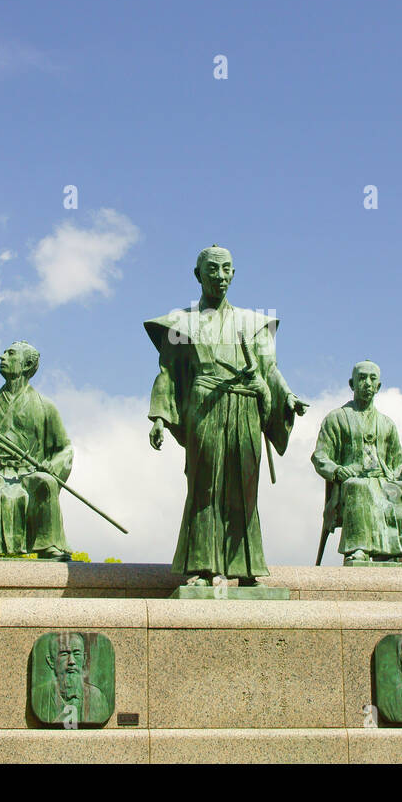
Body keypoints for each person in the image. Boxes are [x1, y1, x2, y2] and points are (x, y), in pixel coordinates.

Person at [145, 246, 309, 585]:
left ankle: (245, 569)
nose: (220, 277)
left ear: (233, 274)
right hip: (205, 405)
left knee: (245, 489)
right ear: (198, 275)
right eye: (212, 270)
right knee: (205, 486)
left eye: (226, 270)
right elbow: (168, 373)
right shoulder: (181, 323)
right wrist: (160, 416)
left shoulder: (253, 322)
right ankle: (204, 568)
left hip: (246, 404)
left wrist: (287, 396)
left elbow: (270, 369)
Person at [312, 361, 402, 564]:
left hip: (386, 483)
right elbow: (320, 456)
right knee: (358, 487)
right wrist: (337, 470)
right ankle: (358, 548)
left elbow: (398, 461)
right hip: (354, 482)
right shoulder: (336, 418)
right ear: (352, 384)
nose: (367, 383)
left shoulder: (387, 424)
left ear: (379, 386)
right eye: (362, 378)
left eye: (372, 379)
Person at [0, 341, 75, 558]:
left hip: (29, 471)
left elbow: (65, 448)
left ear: (27, 364)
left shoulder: (45, 406)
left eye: (10, 354)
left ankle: (49, 545)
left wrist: (53, 466)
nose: (2, 357)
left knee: (45, 482)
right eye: (3, 353)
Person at [32, 632, 111, 725]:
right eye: (64, 654)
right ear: (51, 661)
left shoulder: (97, 697)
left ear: (84, 659)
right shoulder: (39, 696)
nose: (71, 661)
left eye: (77, 654)